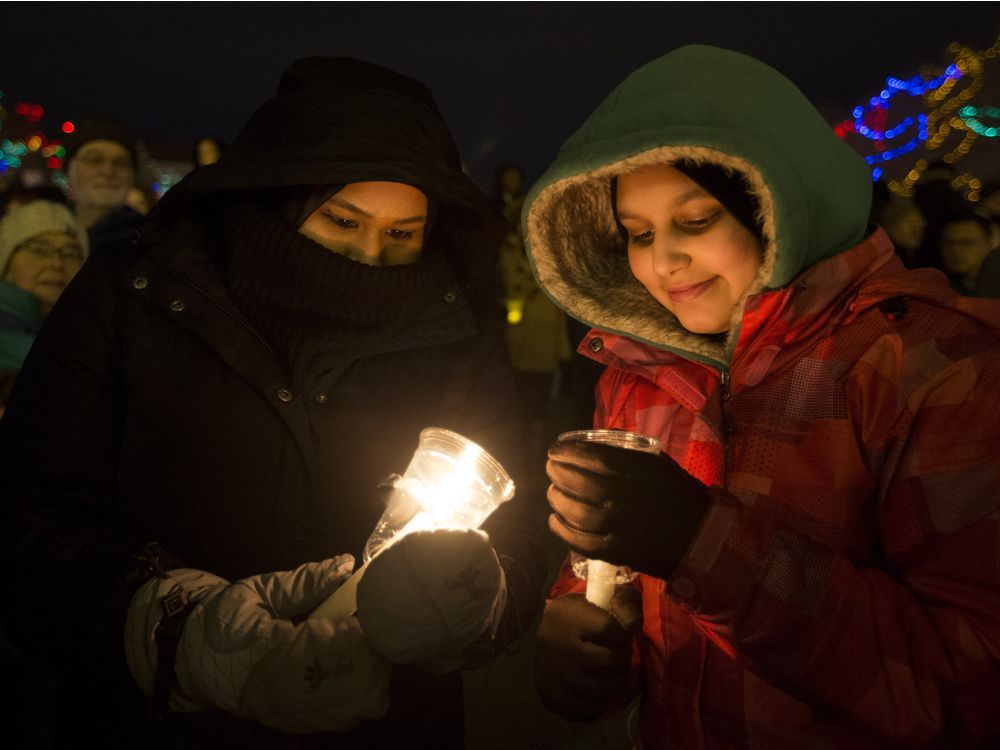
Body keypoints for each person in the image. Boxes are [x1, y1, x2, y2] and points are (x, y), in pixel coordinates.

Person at [0, 57, 548, 749]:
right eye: (342, 221)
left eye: (402, 234)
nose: (368, 256)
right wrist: (177, 630)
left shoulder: (452, 332)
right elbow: (30, 516)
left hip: (388, 721)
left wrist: (479, 600)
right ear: (278, 196)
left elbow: (515, 514)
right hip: (153, 726)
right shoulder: (134, 296)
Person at [523, 45, 1000, 749]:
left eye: (696, 220)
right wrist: (583, 627)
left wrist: (700, 541)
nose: (662, 261)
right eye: (637, 234)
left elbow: (970, 684)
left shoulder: (926, 368)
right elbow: (615, 574)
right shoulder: (637, 375)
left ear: (781, 201)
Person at [0, 199, 87, 405]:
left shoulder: (91, 337)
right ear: (6, 260)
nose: (56, 263)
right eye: (39, 249)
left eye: (71, 253)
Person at [63, 113, 144, 252]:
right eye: (95, 160)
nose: (108, 172)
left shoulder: (148, 240)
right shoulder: (44, 230)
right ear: (71, 170)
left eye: (121, 163)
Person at [936, 211, 996, 294]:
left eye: (966, 243)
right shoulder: (936, 288)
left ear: (989, 244)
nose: (955, 250)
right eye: (948, 243)